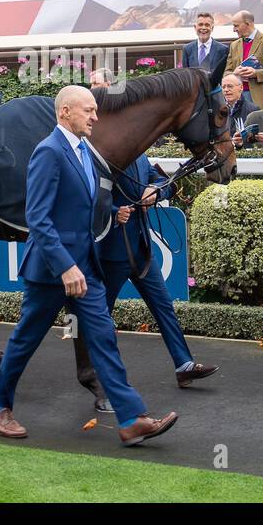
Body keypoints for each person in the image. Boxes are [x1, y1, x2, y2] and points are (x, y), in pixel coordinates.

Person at [0, 85, 177, 445]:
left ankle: (131, 419)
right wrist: (64, 267)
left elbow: (85, 204)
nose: (95, 116)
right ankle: (0, 405)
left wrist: (114, 212)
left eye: (95, 110)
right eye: (88, 110)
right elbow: (38, 218)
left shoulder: (85, 152)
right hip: (50, 270)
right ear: (65, 113)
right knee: (26, 339)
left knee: (103, 336)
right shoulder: (48, 152)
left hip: (86, 267)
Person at [100, 152, 218, 388]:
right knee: (100, 315)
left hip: (143, 250)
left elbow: (167, 184)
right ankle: (96, 371)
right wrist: (114, 212)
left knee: (164, 307)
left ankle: (184, 365)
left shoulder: (140, 156)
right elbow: (89, 195)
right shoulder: (105, 154)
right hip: (113, 254)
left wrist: (154, 191)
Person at [223, 10, 263, 109]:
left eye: (236, 26)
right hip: (237, 98)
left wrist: (255, 73)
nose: (234, 29)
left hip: (259, 97)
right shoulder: (234, 45)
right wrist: (234, 74)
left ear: (248, 24)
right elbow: (226, 73)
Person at [180, 12, 229, 78]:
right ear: (195, 27)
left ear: (212, 28)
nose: (203, 28)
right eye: (200, 24)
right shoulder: (187, 49)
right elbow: (185, 74)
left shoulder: (223, 49)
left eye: (207, 25)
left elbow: (225, 73)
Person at [220, 72, 259, 148]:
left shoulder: (253, 110)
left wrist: (241, 144)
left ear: (241, 88)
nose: (226, 90)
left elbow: (256, 141)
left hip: (243, 156)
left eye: (230, 86)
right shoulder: (216, 110)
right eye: (223, 87)